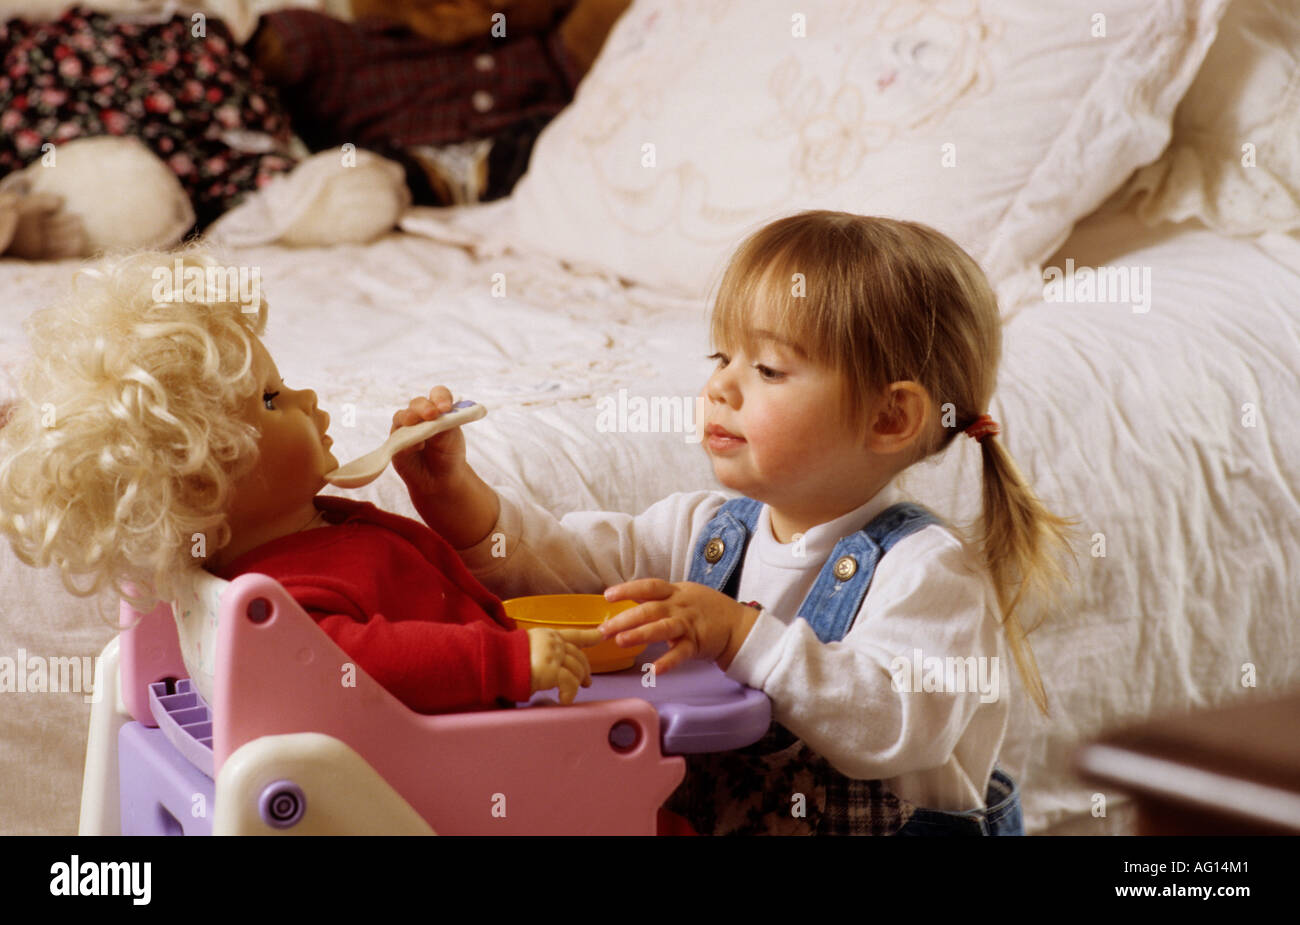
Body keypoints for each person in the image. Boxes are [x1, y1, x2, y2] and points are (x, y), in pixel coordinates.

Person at [390, 210, 1078, 834]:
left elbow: (894, 725)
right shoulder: (705, 529)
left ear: (890, 417)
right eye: (721, 358)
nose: (720, 386)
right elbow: (560, 565)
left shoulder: (927, 570)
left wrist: (741, 633)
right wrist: (457, 497)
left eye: (769, 368)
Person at [0, 247, 598, 714]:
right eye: (270, 399)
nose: (307, 397)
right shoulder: (279, 597)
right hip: (461, 776)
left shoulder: (315, 532)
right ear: (203, 482)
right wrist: (503, 660)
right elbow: (362, 661)